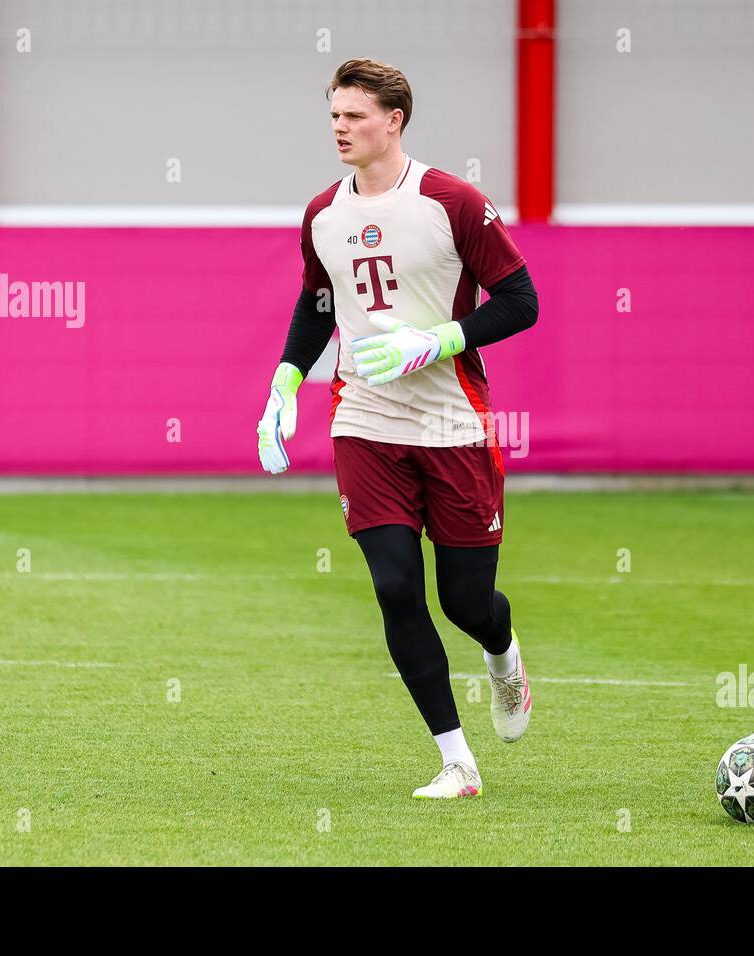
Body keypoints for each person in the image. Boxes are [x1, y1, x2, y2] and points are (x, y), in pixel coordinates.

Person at [257, 58, 540, 799]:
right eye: (333, 116)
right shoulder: (323, 212)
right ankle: (456, 761)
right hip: (365, 421)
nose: (340, 129)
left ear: (394, 121)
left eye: (354, 116)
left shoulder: (451, 200)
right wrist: (285, 381)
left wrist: (440, 339)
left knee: (466, 603)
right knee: (393, 586)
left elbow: (521, 300)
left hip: (451, 420)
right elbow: (318, 305)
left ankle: (504, 657)